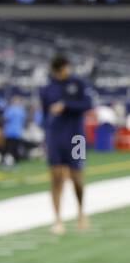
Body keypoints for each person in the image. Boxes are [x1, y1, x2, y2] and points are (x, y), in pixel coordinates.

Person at [41, 54, 92, 235]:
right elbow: (44, 114)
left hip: (77, 137)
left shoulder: (78, 83)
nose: (66, 72)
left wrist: (66, 105)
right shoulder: (47, 89)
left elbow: (88, 104)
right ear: (57, 71)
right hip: (55, 137)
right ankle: (57, 219)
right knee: (56, 178)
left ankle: (81, 213)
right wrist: (45, 138)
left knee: (77, 178)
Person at [2, 94, 27, 165]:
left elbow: (5, 119)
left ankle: (10, 161)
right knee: (13, 147)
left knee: (10, 148)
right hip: (14, 131)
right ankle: (14, 161)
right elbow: (24, 121)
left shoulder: (10, 109)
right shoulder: (21, 110)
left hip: (12, 131)